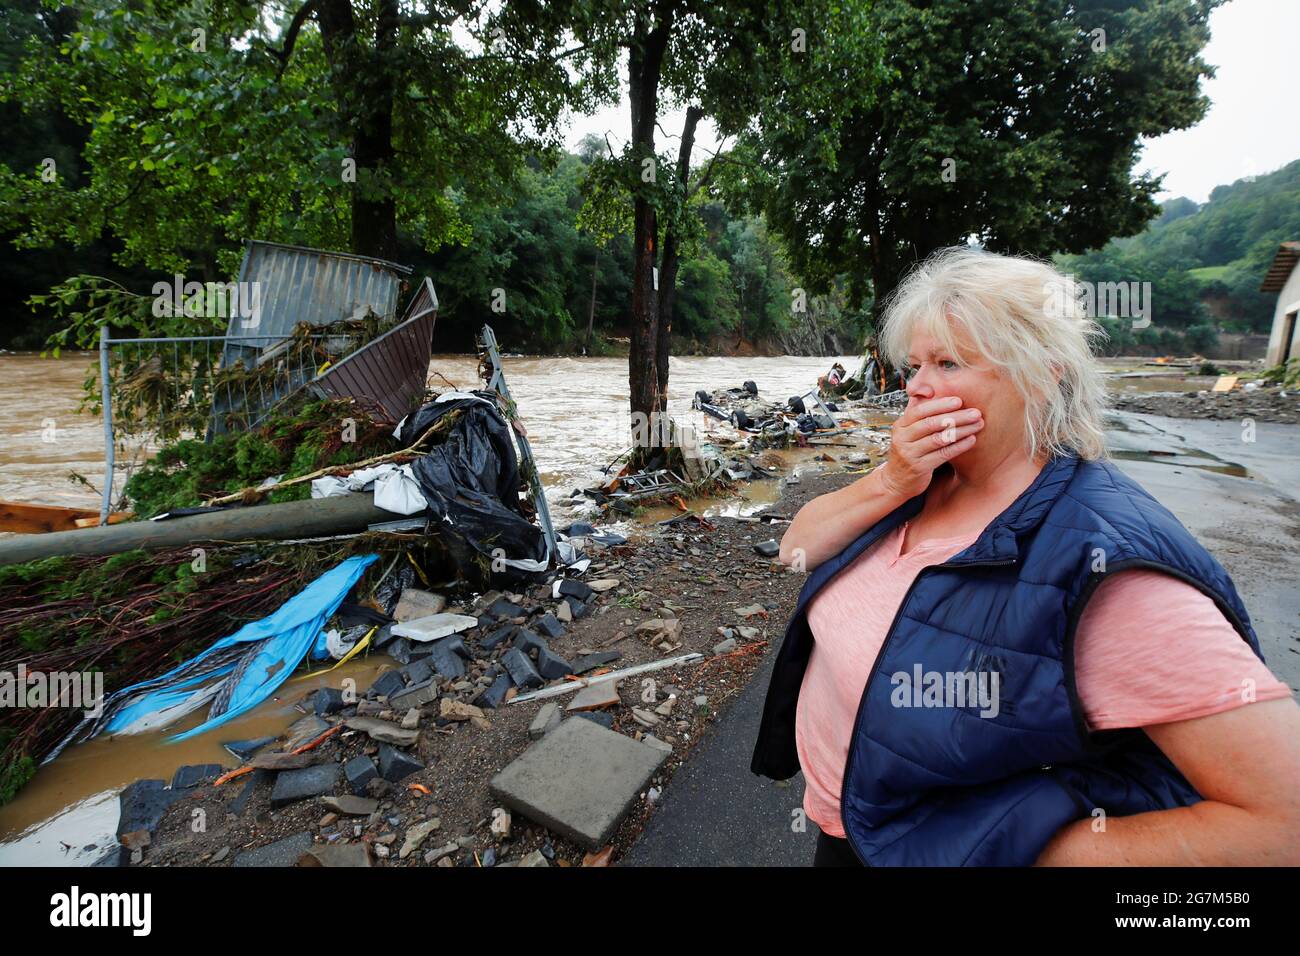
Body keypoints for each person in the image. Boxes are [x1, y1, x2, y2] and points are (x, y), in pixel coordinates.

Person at [751, 246, 1300, 867]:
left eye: (948, 363)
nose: (916, 388)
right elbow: (794, 549)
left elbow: (1283, 823)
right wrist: (890, 481)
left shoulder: (1108, 564)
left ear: (1043, 374)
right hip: (855, 827)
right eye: (915, 365)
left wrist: (1003, 850)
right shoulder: (926, 478)